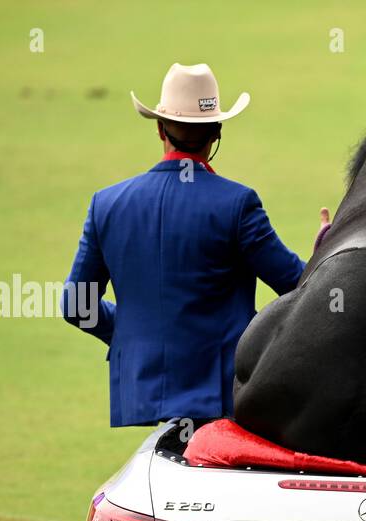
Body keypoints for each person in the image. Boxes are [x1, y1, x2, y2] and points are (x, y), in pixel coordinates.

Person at [61, 62, 328, 427]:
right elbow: (298, 288)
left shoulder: (106, 204)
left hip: (147, 393)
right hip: (222, 398)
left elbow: (76, 305)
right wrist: (324, 255)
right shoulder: (237, 203)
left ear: (159, 129)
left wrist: (132, 335)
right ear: (216, 133)